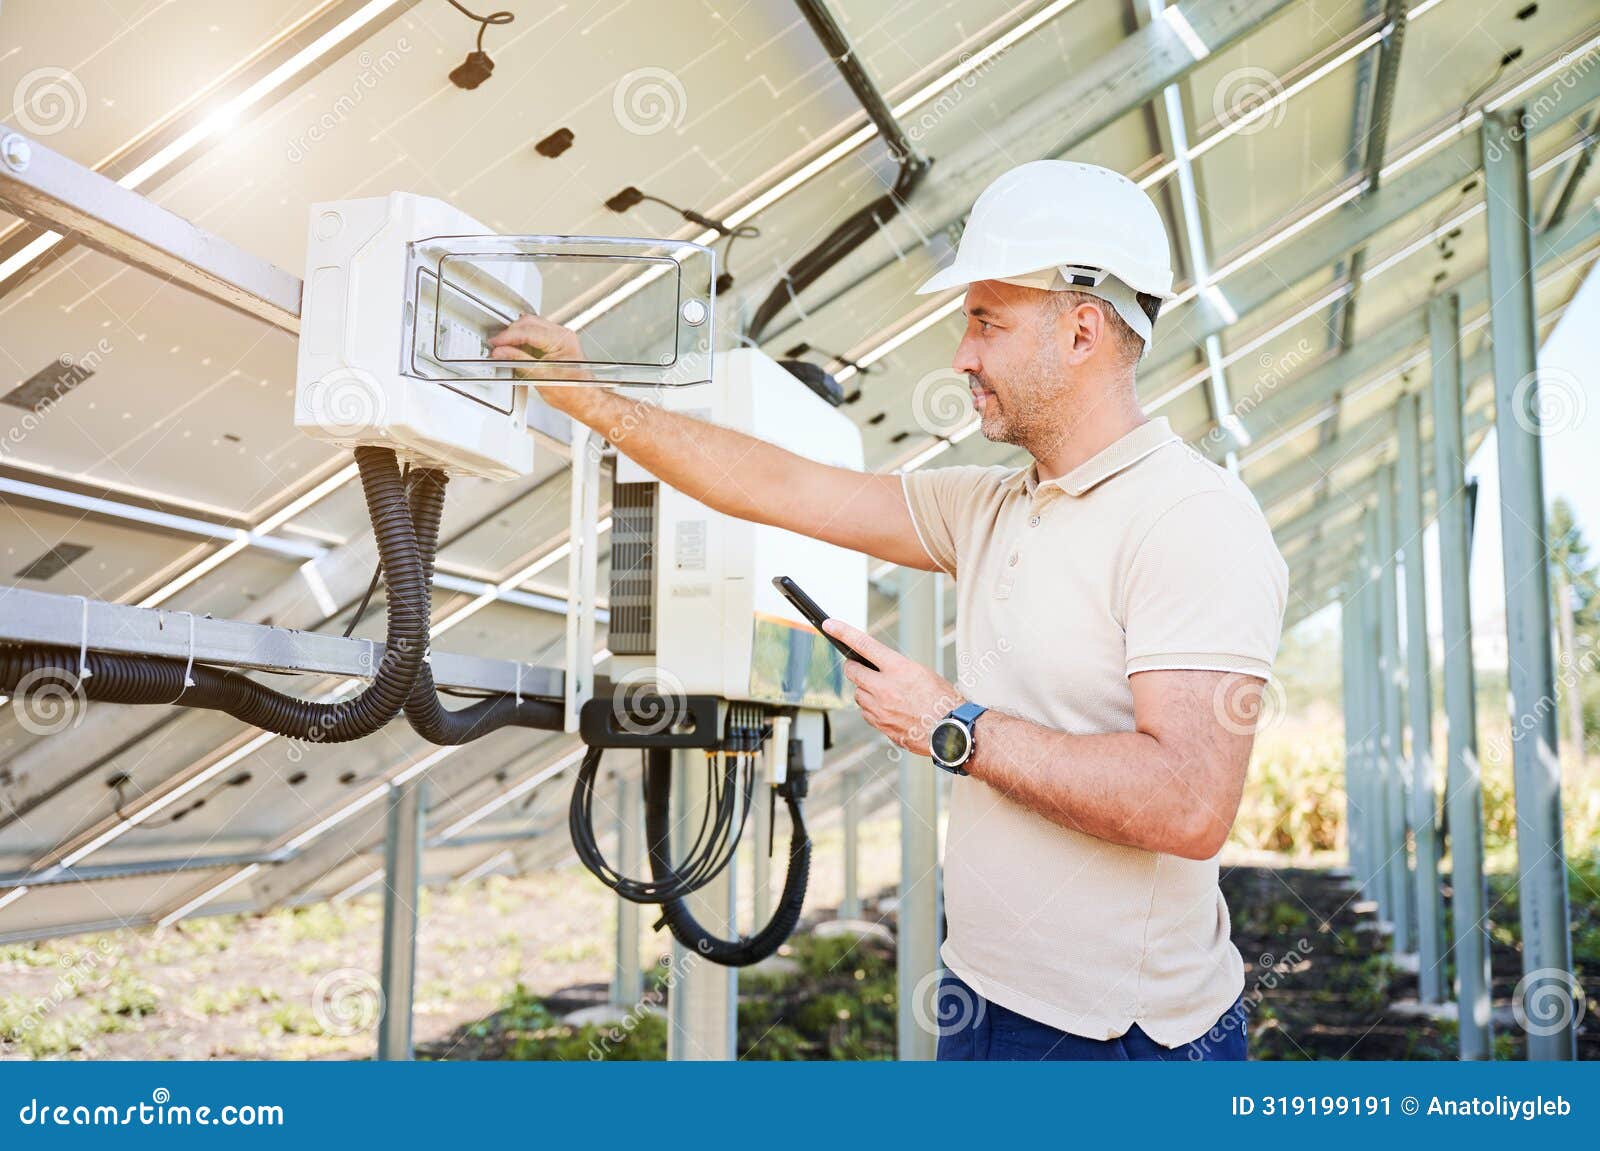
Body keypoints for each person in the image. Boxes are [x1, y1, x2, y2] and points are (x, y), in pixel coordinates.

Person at [489, 159, 1288, 1061]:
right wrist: (590, 397)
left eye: (986, 321)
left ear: (1082, 329)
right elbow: (781, 484)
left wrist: (952, 726)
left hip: (1122, 1040)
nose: (963, 355)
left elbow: (1187, 803)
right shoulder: (990, 505)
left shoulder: (1191, 519)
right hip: (986, 996)